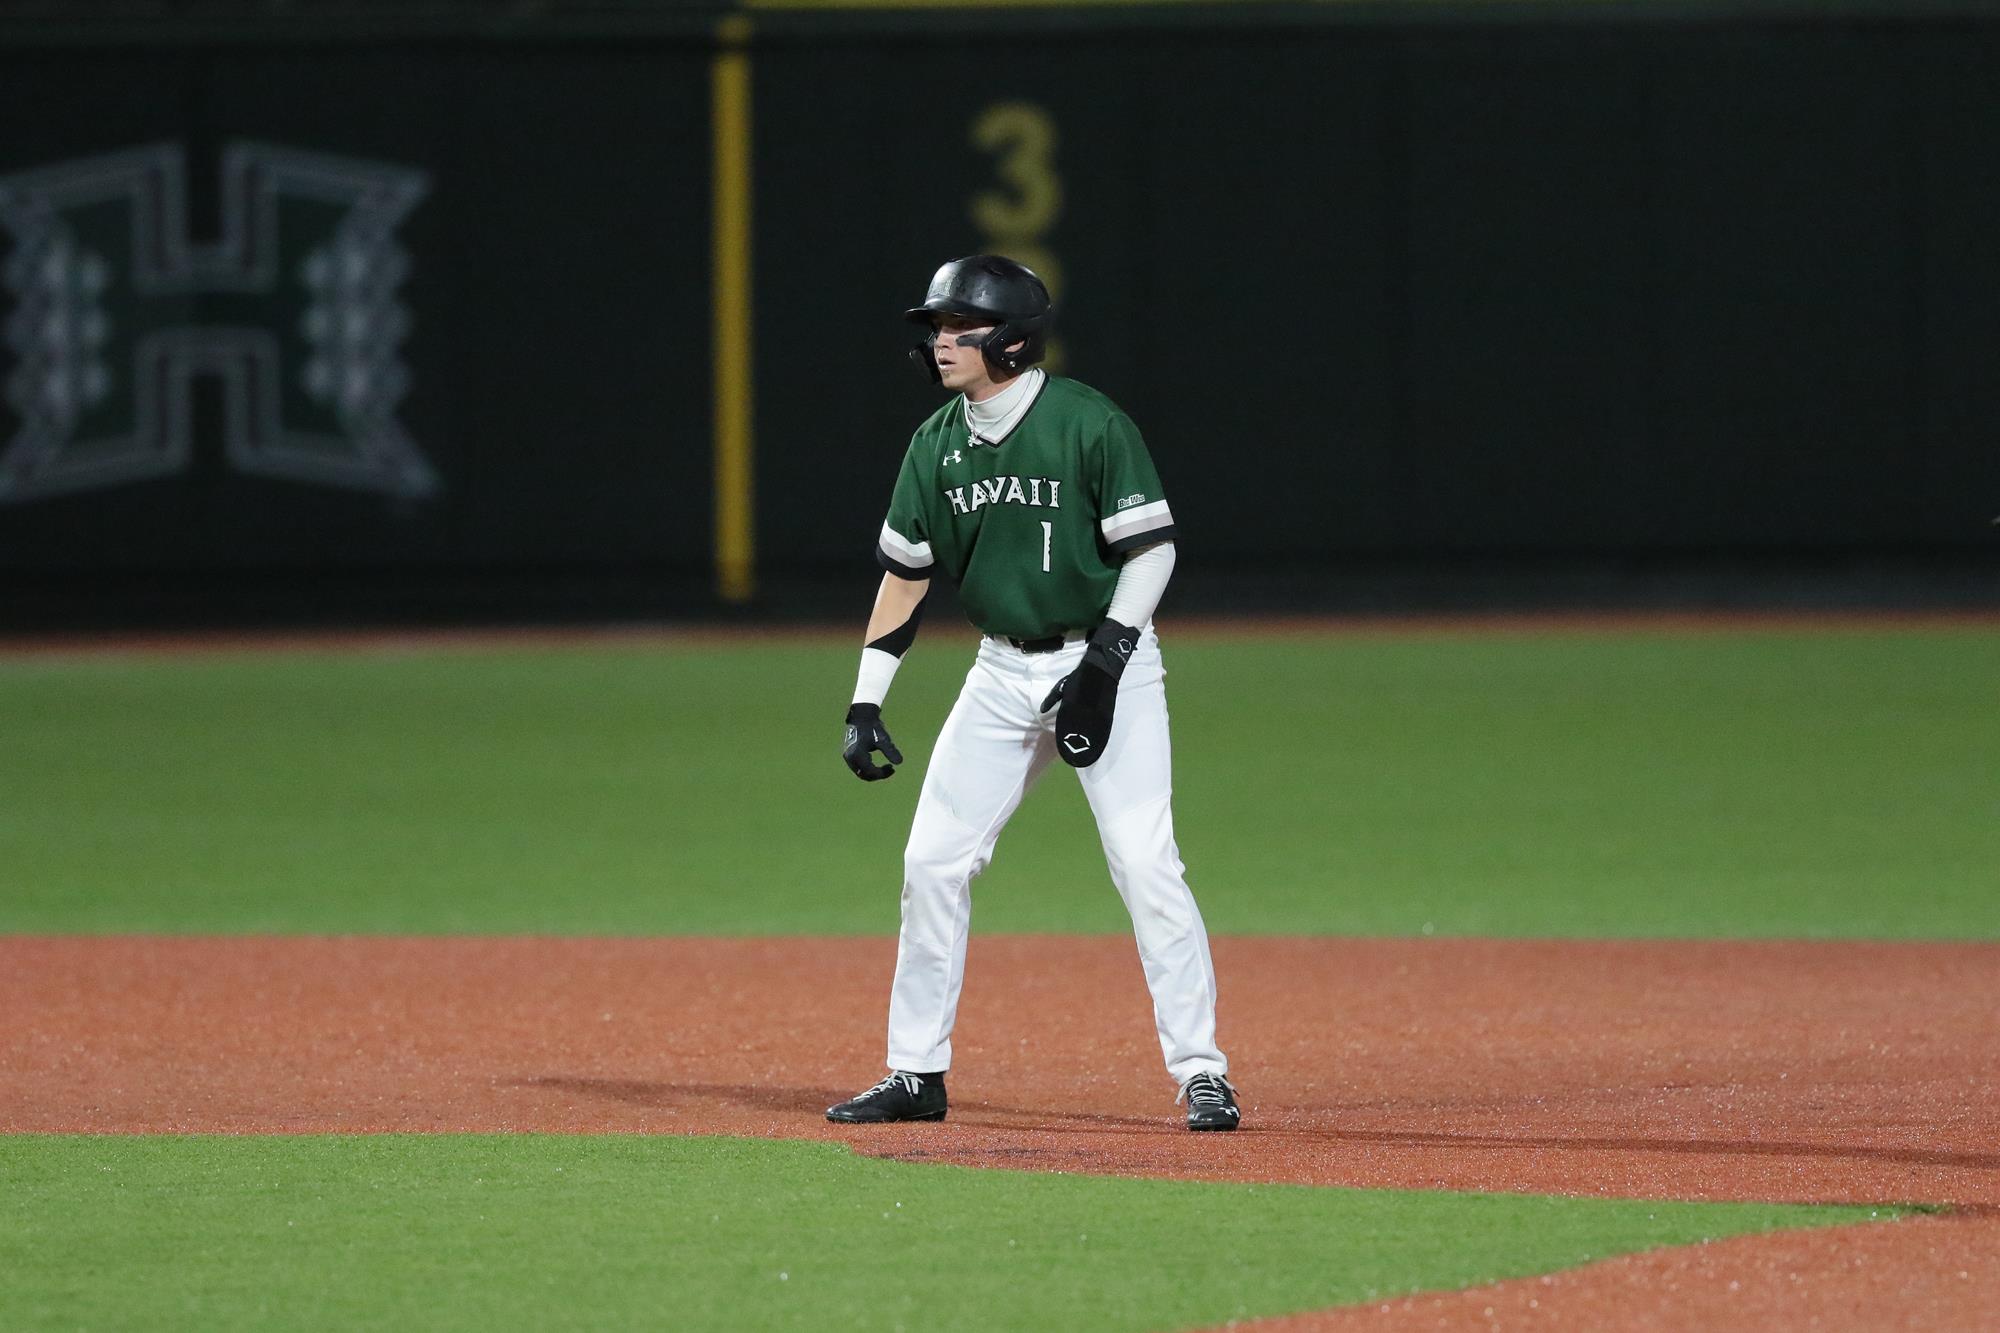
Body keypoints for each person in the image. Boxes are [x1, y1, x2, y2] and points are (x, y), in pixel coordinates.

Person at [827, 255, 1238, 1132]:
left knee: (1144, 862)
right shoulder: (935, 444)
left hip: (1104, 654)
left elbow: (1151, 549)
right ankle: (915, 1071)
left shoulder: (1088, 423)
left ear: (1010, 343)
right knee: (931, 863)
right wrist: (866, 701)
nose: (939, 342)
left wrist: (1108, 663)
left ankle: (1202, 1069)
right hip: (1000, 672)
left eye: (956, 327)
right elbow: (904, 576)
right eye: (934, 327)